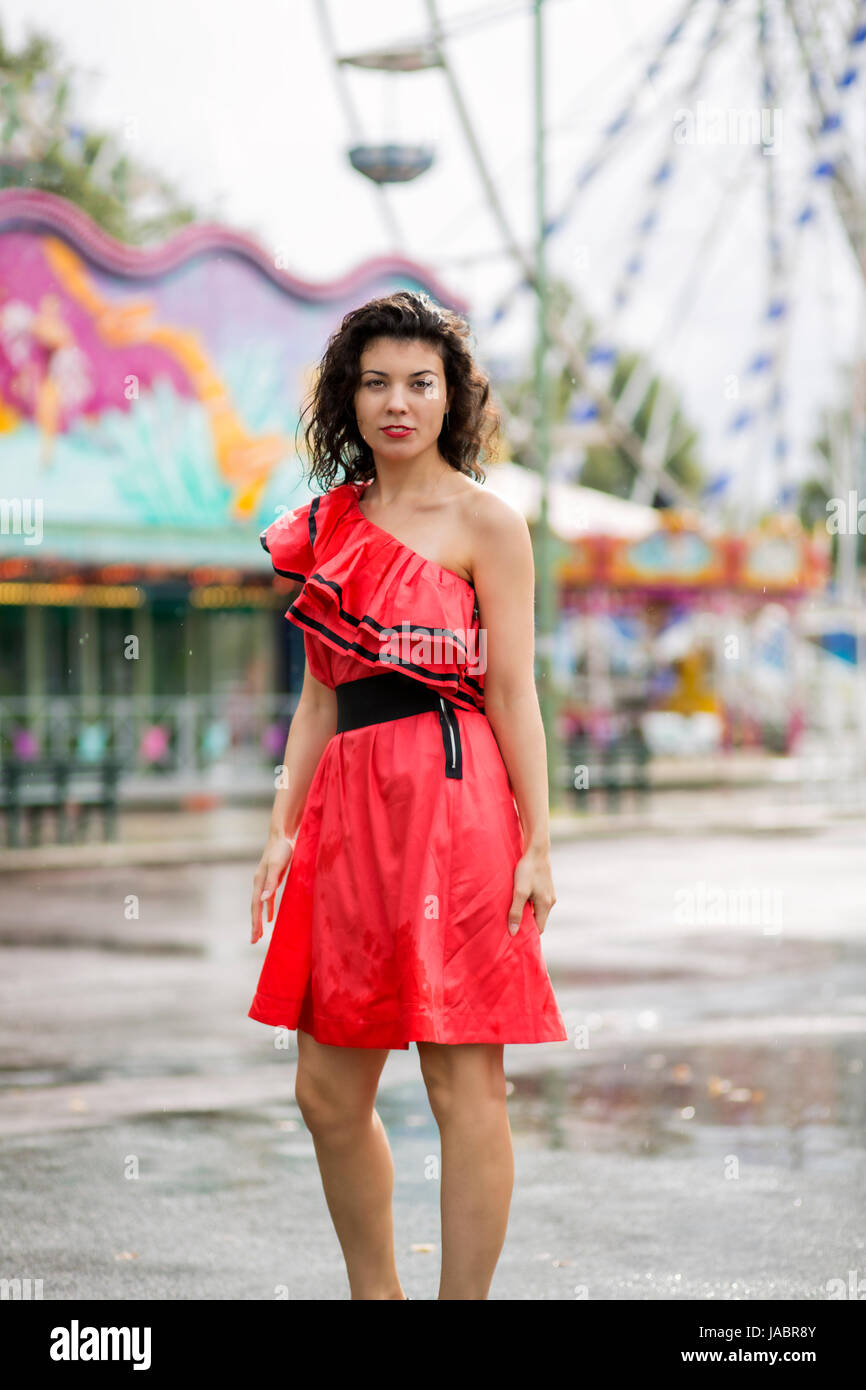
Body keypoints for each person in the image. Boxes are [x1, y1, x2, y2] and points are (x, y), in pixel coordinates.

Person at [248, 290, 568, 1301]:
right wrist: (280, 825)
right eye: (376, 381)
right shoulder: (325, 527)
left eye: (419, 383)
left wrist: (538, 840)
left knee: (460, 1080)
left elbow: (512, 691)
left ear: (451, 396)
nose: (398, 401)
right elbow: (316, 697)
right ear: (349, 394)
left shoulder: (488, 523)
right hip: (347, 813)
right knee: (324, 1091)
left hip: (455, 803)